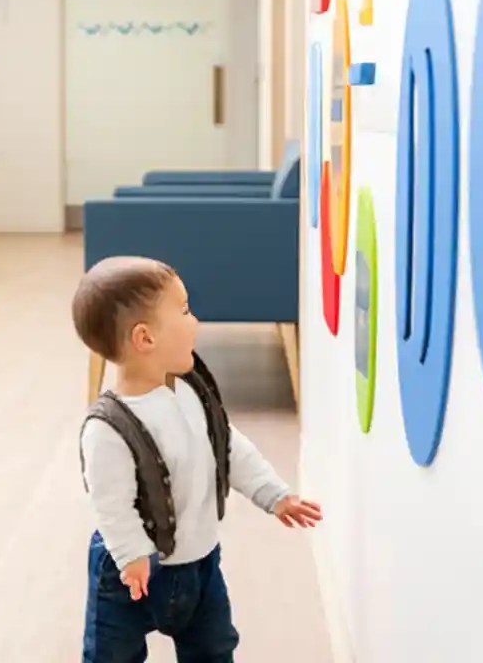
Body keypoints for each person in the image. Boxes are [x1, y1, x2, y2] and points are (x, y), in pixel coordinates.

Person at [72, 256, 323, 662]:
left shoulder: (189, 389)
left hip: (200, 565)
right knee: (111, 656)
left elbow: (227, 445)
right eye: (185, 310)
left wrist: (273, 494)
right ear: (145, 338)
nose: (196, 321)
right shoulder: (108, 428)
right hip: (130, 574)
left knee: (214, 650)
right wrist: (132, 554)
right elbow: (110, 503)